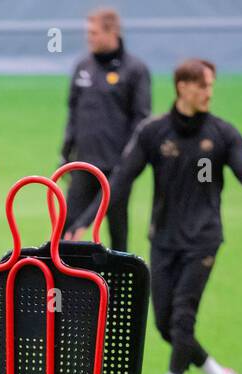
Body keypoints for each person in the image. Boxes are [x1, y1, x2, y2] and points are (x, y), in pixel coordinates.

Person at [71, 58, 242, 374]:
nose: (209, 93)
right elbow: (121, 179)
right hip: (163, 239)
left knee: (183, 320)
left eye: (211, 86)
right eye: (203, 86)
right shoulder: (153, 132)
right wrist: (85, 218)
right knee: (163, 323)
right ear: (182, 87)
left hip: (203, 240)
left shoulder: (222, 133)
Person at [58, 7, 150, 251]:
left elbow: (141, 120)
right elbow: (73, 113)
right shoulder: (83, 67)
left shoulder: (135, 70)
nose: (89, 38)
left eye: (94, 33)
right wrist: (65, 153)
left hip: (117, 167)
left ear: (112, 33)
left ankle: (118, 286)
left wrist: (129, 160)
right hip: (84, 164)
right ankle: (67, 285)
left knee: (117, 230)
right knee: (68, 227)